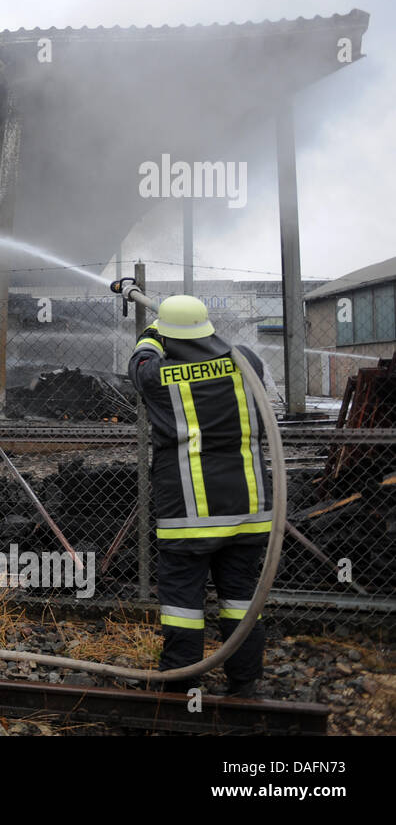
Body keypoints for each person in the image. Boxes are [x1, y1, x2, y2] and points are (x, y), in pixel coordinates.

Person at [127, 294, 270, 697]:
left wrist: (154, 329)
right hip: (248, 507)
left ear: (169, 336)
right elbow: (216, 349)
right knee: (241, 598)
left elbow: (139, 359)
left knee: (183, 604)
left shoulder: (156, 375)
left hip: (190, 513)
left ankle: (181, 680)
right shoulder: (247, 361)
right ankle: (245, 682)